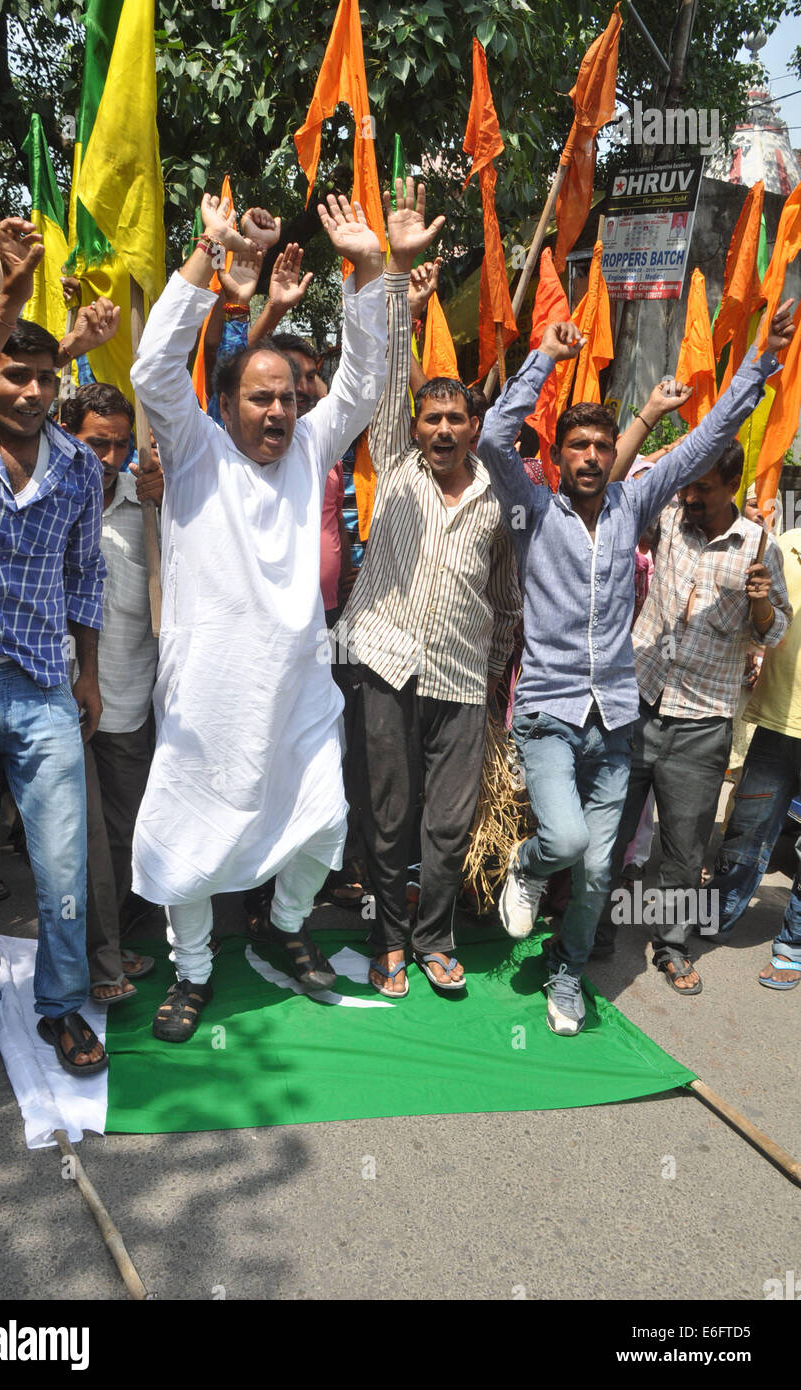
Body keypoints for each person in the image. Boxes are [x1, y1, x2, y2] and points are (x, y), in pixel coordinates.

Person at [478, 300, 795, 1035]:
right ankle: (527, 869)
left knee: (597, 870)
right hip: (549, 715)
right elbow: (494, 434)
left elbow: (706, 438)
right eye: (577, 447)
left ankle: (566, 972)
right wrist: (545, 359)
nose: (591, 457)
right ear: (557, 459)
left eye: (599, 446)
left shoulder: (630, 506)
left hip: (616, 720)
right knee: (563, 843)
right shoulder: (530, 510)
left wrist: (759, 358)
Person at [129, 187, 387, 1041]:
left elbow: (364, 381)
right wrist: (208, 254)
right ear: (228, 404)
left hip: (299, 691)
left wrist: (368, 273)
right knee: (193, 835)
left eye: (286, 398)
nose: (278, 411)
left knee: (323, 822)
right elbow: (153, 368)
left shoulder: (313, 444)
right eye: (259, 398)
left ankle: (284, 926)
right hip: (208, 693)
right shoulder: (197, 450)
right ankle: (194, 973)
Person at [0, 212, 114, 1081]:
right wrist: (5, 284)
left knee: (61, 871)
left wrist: (86, 676)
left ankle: (59, 1007)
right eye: (16, 374)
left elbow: (88, 576)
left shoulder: (81, 467)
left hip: (45, 686)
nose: (34, 392)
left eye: (47, 379)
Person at [334, 178, 520, 997]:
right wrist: (399, 274)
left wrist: (494, 688)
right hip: (380, 662)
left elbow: (505, 601)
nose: (442, 429)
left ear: (474, 429)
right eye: (430, 418)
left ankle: (436, 936)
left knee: (445, 827)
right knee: (385, 818)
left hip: (458, 678)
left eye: (456, 420)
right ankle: (388, 941)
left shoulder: (496, 498)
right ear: (413, 428)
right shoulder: (395, 466)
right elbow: (382, 370)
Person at [599, 440, 791, 993]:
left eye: (704, 487)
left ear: (732, 487)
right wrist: (678, 442)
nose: (692, 495)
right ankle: (595, 932)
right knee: (608, 831)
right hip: (638, 699)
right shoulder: (668, 515)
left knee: (683, 849)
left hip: (703, 720)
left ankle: (671, 944)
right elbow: (621, 486)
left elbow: (773, 631)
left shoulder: (758, 545)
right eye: (689, 483)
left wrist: (759, 601)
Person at [61, 383, 164, 1002]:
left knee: (126, 833)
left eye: (121, 445)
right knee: (78, 838)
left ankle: (110, 938)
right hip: (55, 695)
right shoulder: (44, 500)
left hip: (127, 697)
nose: (110, 457)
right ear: (67, 433)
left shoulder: (147, 503)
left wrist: (165, 496)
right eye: (97, 443)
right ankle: (97, 962)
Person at [710, 525, 801, 989]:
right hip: (780, 718)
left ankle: (793, 945)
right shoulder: (787, 545)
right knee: (747, 828)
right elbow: (765, 621)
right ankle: (715, 917)